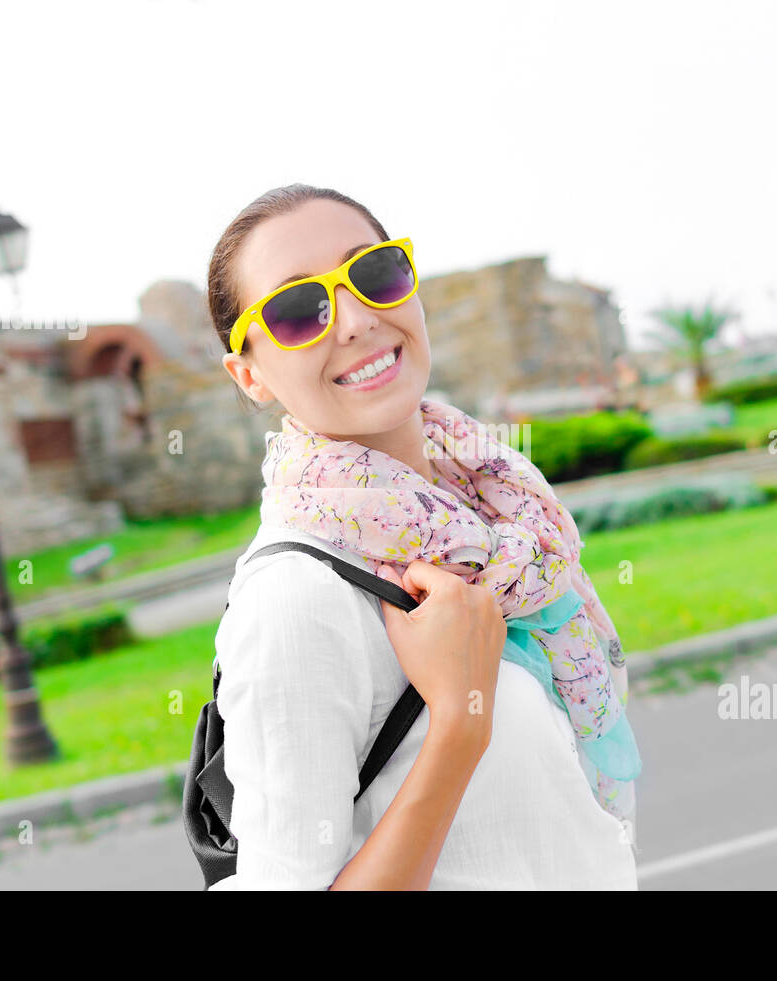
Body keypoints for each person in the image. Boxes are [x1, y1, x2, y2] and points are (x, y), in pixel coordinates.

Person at [204, 184, 641, 890]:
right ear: (249, 374)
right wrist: (457, 730)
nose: (352, 320)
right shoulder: (295, 600)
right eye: (295, 312)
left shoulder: (501, 512)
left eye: (372, 274)